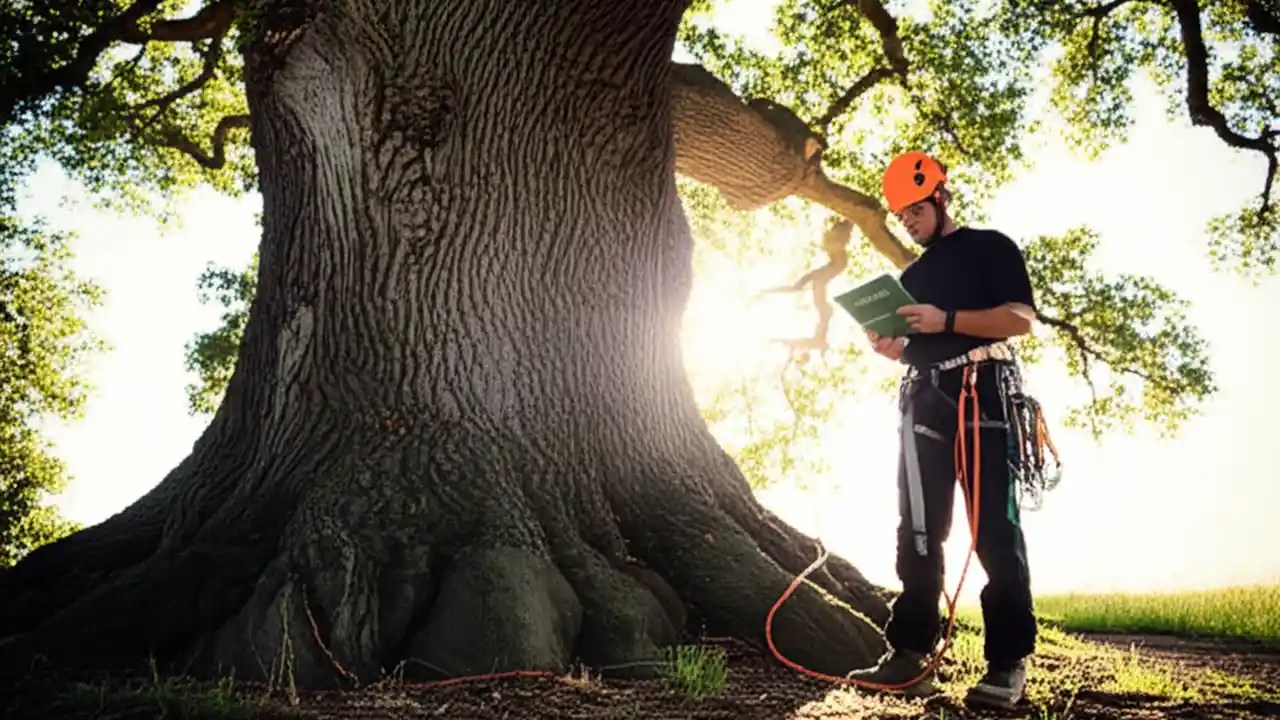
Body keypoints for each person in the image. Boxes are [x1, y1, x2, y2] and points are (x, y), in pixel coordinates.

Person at [845, 150, 1039, 709]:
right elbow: (914, 348)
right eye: (900, 216)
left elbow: (1021, 319)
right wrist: (891, 348)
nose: (907, 221)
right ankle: (909, 656)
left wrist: (946, 320)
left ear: (939, 197)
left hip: (984, 393)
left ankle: (1006, 664)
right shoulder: (911, 277)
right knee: (919, 532)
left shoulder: (990, 247)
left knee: (994, 531)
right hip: (924, 400)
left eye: (914, 210)